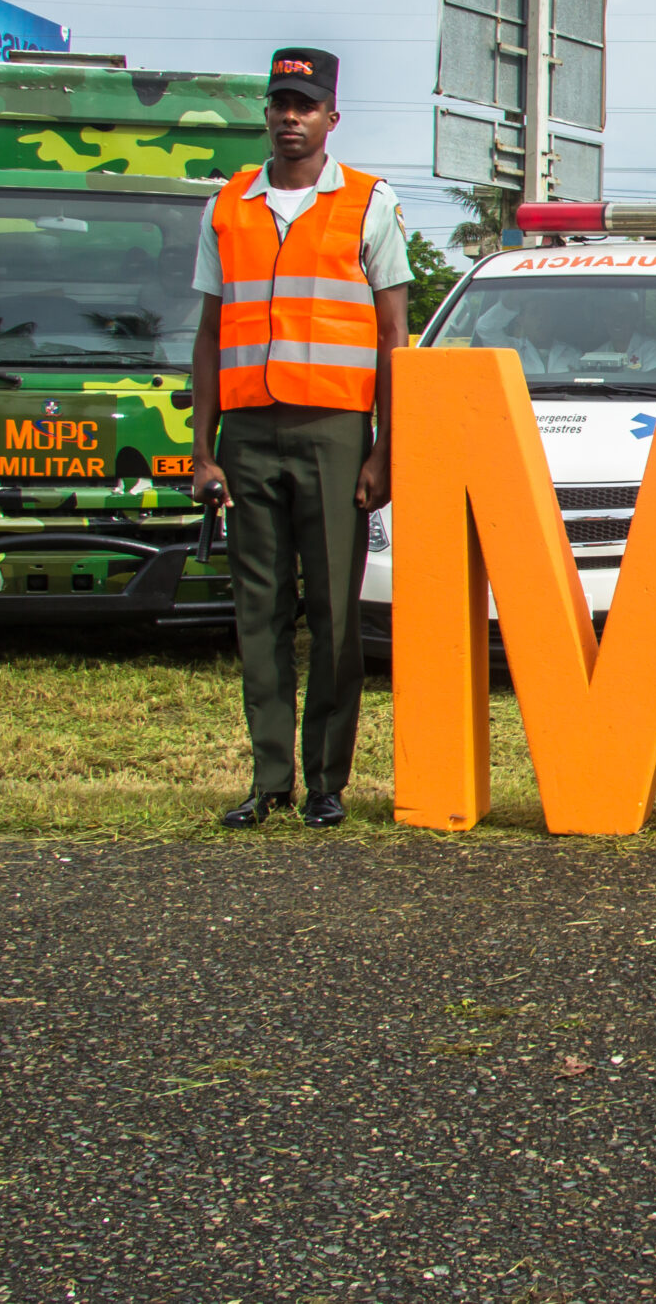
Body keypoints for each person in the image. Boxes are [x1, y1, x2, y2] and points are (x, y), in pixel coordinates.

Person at [189, 48, 413, 830]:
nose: (291, 116)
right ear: (267, 112)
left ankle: (327, 780)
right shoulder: (227, 205)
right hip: (248, 433)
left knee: (334, 610)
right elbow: (210, 333)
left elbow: (394, 333)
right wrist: (203, 448)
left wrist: (386, 447)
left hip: (336, 434)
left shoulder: (368, 203)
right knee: (259, 611)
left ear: (331, 117)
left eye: (305, 104)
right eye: (281, 102)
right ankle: (268, 777)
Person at [583, 289, 656, 373]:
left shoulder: (652, 349)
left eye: (624, 315)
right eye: (612, 315)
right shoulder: (597, 355)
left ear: (634, 319)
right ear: (605, 319)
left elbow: (651, 383)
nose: (617, 321)